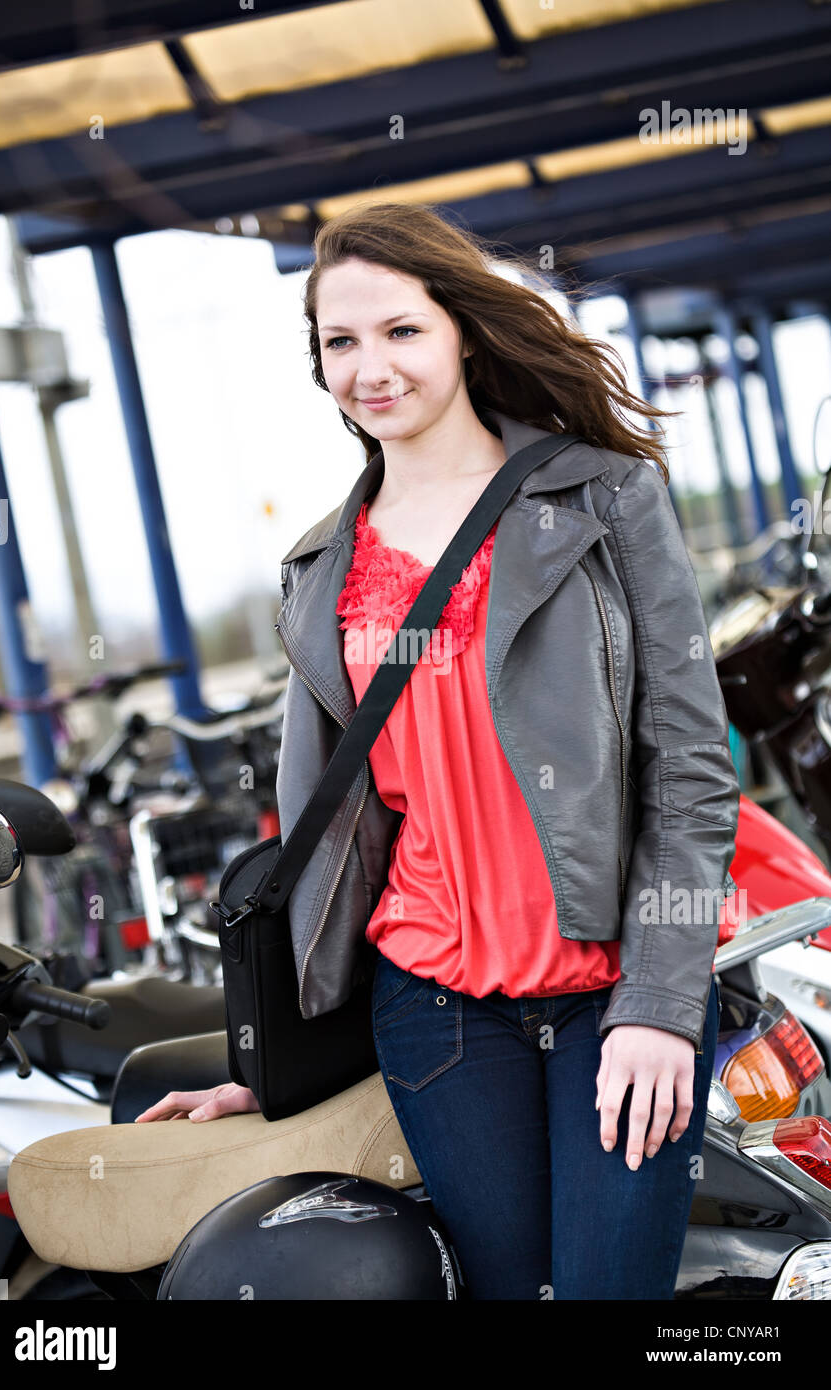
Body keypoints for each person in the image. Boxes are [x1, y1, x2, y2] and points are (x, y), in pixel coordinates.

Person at [136, 201, 739, 1300]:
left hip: (611, 987)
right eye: (339, 341)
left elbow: (689, 775)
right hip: (437, 1011)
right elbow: (335, 839)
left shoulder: (599, 497)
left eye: (399, 330)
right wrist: (273, 1070)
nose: (370, 367)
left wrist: (660, 1004)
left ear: (460, 327)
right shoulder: (318, 570)